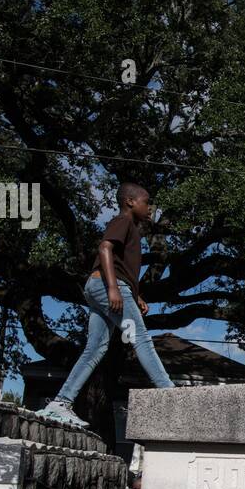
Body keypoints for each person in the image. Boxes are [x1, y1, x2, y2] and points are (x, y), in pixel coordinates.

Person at [38, 183, 174, 427]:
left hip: (102, 287)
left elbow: (123, 268)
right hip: (106, 286)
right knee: (140, 338)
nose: (150, 208)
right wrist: (113, 288)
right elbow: (104, 248)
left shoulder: (131, 228)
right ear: (130, 202)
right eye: (147, 202)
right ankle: (170, 393)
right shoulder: (123, 222)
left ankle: (60, 403)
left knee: (96, 348)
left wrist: (135, 295)